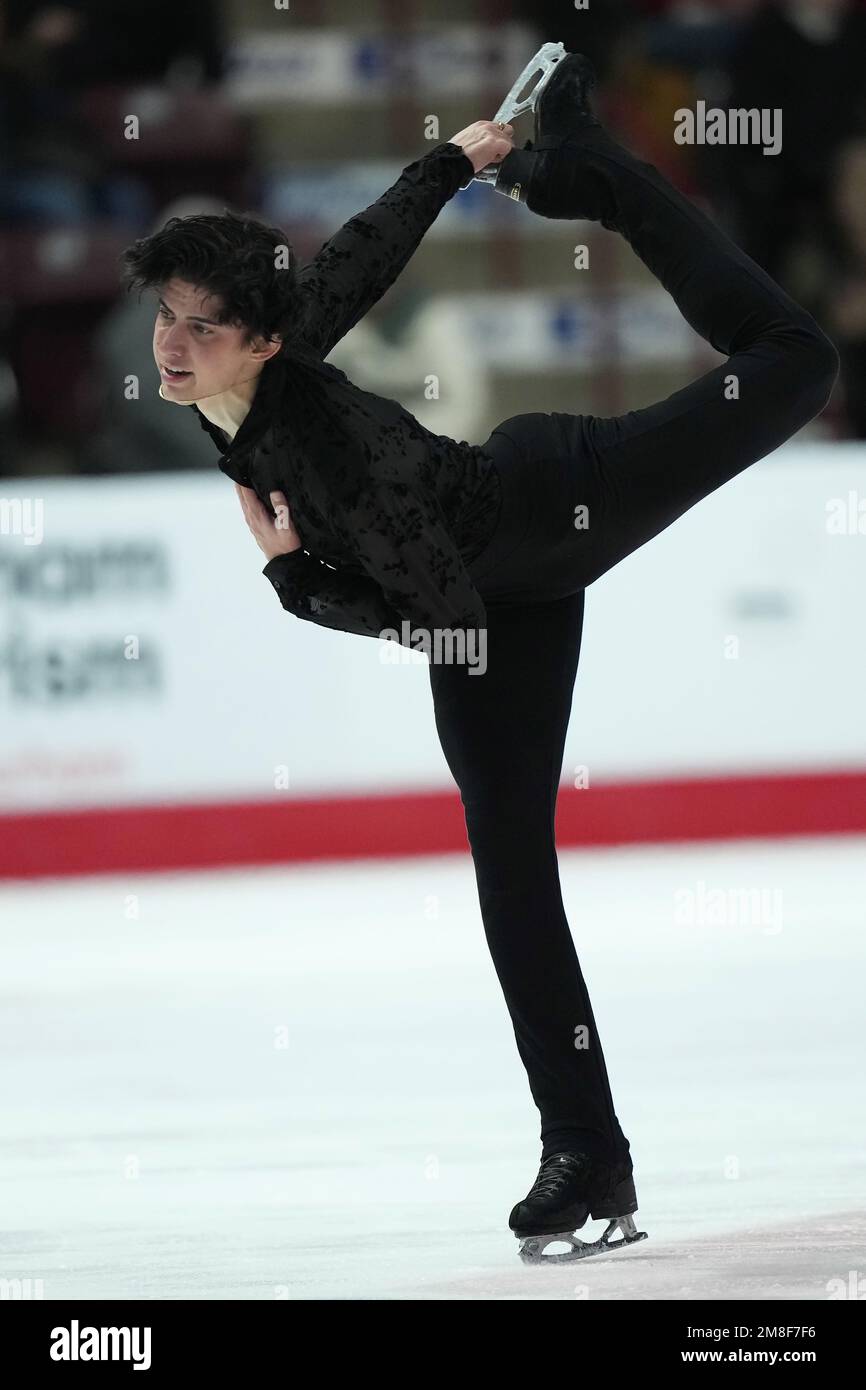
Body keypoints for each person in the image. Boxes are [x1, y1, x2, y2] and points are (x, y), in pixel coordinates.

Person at [119, 49, 839, 1263]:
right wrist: (456, 159)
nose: (176, 345)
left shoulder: (332, 452)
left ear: (256, 343)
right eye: (169, 318)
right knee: (510, 872)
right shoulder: (268, 354)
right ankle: (585, 1160)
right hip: (486, 579)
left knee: (799, 364)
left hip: (549, 502)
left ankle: (606, 179)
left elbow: (440, 616)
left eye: (205, 326)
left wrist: (302, 586)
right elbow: (360, 249)